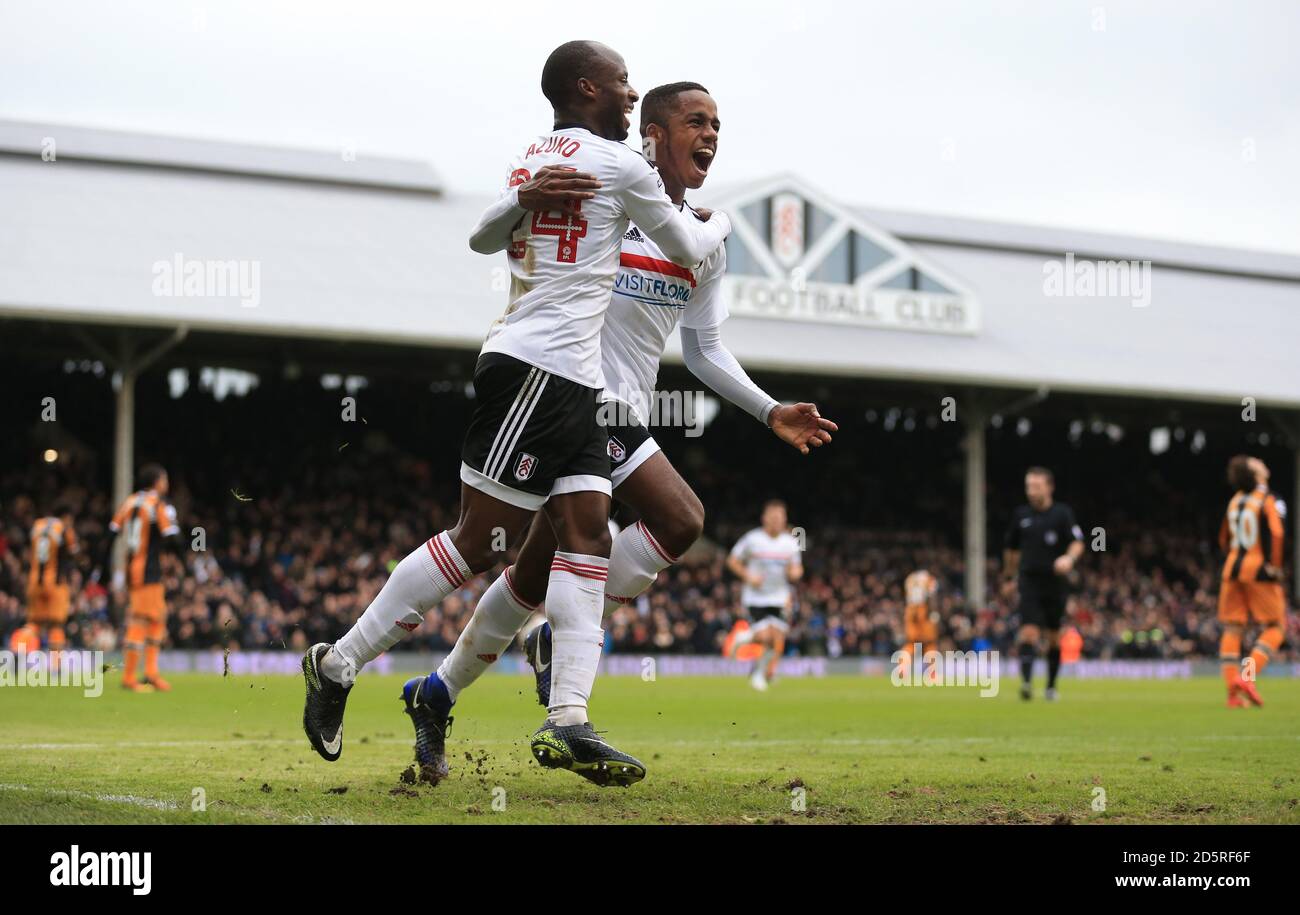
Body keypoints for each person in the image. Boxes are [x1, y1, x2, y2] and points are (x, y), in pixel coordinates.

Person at [301, 40, 732, 787]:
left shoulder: (535, 155)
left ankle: (567, 719)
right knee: (480, 543)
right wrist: (724, 226)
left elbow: (479, 236)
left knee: (587, 537)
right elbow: (692, 239)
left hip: (574, 382)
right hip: (542, 368)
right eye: (623, 83)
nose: (631, 96)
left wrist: (519, 201)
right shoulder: (622, 165)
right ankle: (337, 662)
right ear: (586, 86)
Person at [471, 82, 834, 719]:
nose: (712, 135)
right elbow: (528, 254)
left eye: (718, 125)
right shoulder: (610, 203)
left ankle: (438, 691)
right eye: (696, 122)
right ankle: (560, 647)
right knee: (679, 519)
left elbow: (703, 348)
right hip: (578, 397)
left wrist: (768, 409)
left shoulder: (700, 241)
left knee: (532, 575)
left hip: (622, 411)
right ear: (653, 135)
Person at [1000, 467, 1083, 701]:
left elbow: (1078, 542)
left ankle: (1051, 686)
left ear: (1049, 487)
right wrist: (1008, 577)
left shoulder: (1062, 514)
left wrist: (1069, 558)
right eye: (1028, 486)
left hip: (1056, 582)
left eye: (1036, 486)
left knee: (1054, 637)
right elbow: (1012, 549)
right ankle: (1026, 684)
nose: (1031, 491)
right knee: (1028, 633)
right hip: (1029, 581)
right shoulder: (1021, 515)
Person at [1217, 454, 1288, 708]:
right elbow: (1277, 533)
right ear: (1255, 473)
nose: (1262, 461)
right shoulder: (1269, 499)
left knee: (1233, 628)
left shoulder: (1234, 501)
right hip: (1258, 569)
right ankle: (1247, 677)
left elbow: (1223, 539)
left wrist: (1234, 558)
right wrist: (1275, 566)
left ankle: (1232, 694)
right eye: (1257, 462)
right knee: (1276, 626)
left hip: (1232, 570)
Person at [108, 464, 180, 692]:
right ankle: (130, 677)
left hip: (132, 569)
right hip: (148, 571)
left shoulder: (129, 502)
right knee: (141, 621)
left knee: (157, 617)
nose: (166, 484)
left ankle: (150, 672)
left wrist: (105, 569)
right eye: (165, 479)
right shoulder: (157, 504)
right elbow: (171, 536)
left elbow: (112, 532)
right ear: (158, 481)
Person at [723, 500, 804, 690]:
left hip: (780, 597)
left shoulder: (790, 543)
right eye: (773, 517)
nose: (777, 521)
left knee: (776, 640)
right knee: (766, 637)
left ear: (785, 519)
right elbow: (732, 561)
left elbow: (797, 569)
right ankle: (744, 640)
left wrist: (795, 573)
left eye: (780, 517)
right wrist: (748, 576)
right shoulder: (752, 539)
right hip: (755, 597)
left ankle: (759, 674)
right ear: (764, 518)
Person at [25, 503, 79, 657]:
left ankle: (18, 657)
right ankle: (56, 667)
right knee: (56, 625)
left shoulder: (37, 526)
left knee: (33, 624)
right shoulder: (64, 528)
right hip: (56, 584)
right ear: (66, 518)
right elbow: (73, 553)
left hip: (35, 581)